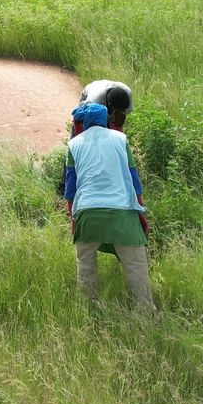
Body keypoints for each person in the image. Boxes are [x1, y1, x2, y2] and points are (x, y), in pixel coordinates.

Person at [63, 103, 155, 315]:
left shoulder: (74, 144)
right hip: (122, 211)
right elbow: (134, 180)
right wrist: (140, 213)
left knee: (85, 265)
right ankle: (145, 313)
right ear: (105, 120)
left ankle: (91, 310)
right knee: (135, 265)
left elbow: (70, 189)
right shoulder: (120, 139)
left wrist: (73, 219)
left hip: (87, 212)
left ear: (82, 123)